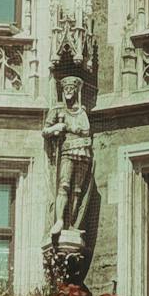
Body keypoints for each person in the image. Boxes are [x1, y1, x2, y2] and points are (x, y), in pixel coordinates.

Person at [43, 74, 92, 239]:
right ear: (63, 91)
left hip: (83, 152)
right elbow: (45, 130)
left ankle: (71, 224)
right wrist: (57, 126)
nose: (69, 91)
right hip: (66, 151)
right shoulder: (58, 109)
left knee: (77, 190)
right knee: (64, 186)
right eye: (66, 89)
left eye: (72, 88)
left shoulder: (82, 111)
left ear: (77, 91)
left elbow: (86, 131)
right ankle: (59, 221)